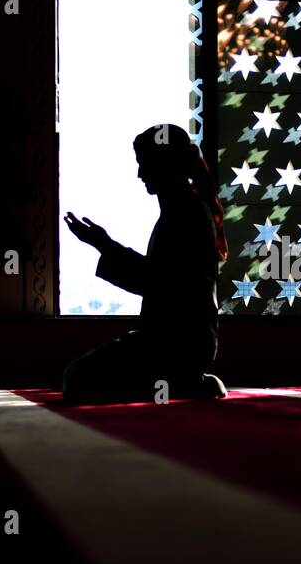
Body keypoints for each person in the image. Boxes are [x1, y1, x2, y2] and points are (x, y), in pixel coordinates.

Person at [62, 124, 228, 403]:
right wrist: (104, 244)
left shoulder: (187, 214)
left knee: (78, 380)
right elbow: (160, 280)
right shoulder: (182, 211)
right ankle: (188, 382)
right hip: (180, 343)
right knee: (76, 378)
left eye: (145, 164)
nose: (140, 174)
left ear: (166, 165)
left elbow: (156, 282)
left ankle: (186, 382)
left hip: (178, 345)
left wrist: (104, 244)